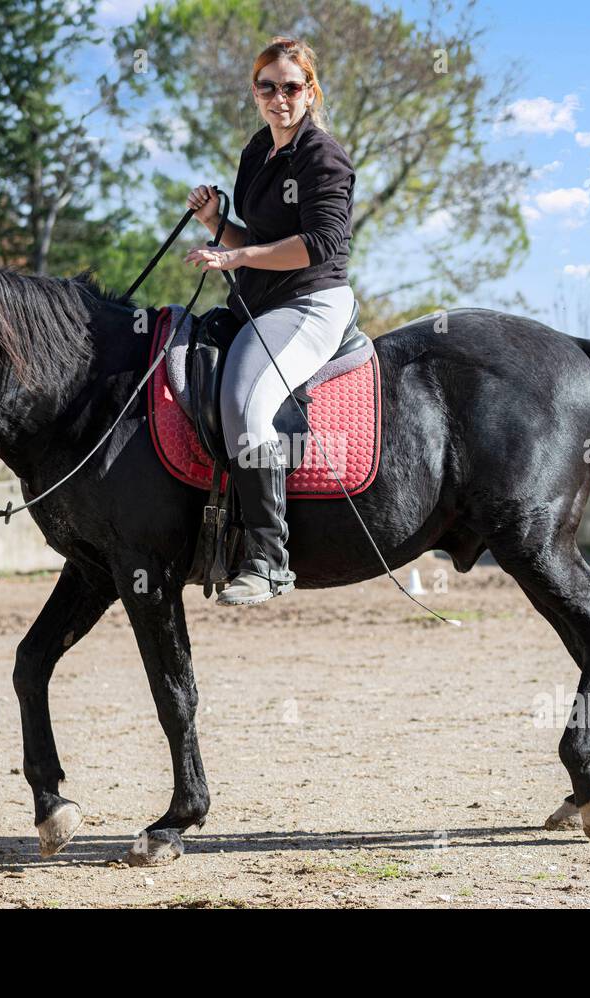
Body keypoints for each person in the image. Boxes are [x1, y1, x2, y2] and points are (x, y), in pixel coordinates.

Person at [184, 36, 357, 606]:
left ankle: (268, 557)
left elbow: (320, 242)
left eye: (291, 87)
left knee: (242, 401)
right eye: (267, 87)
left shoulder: (323, 156)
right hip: (257, 303)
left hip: (310, 304)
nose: (279, 97)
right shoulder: (257, 150)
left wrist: (234, 258)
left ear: (310, 90)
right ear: (254, 91)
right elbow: (256, 241)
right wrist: (216, 223)